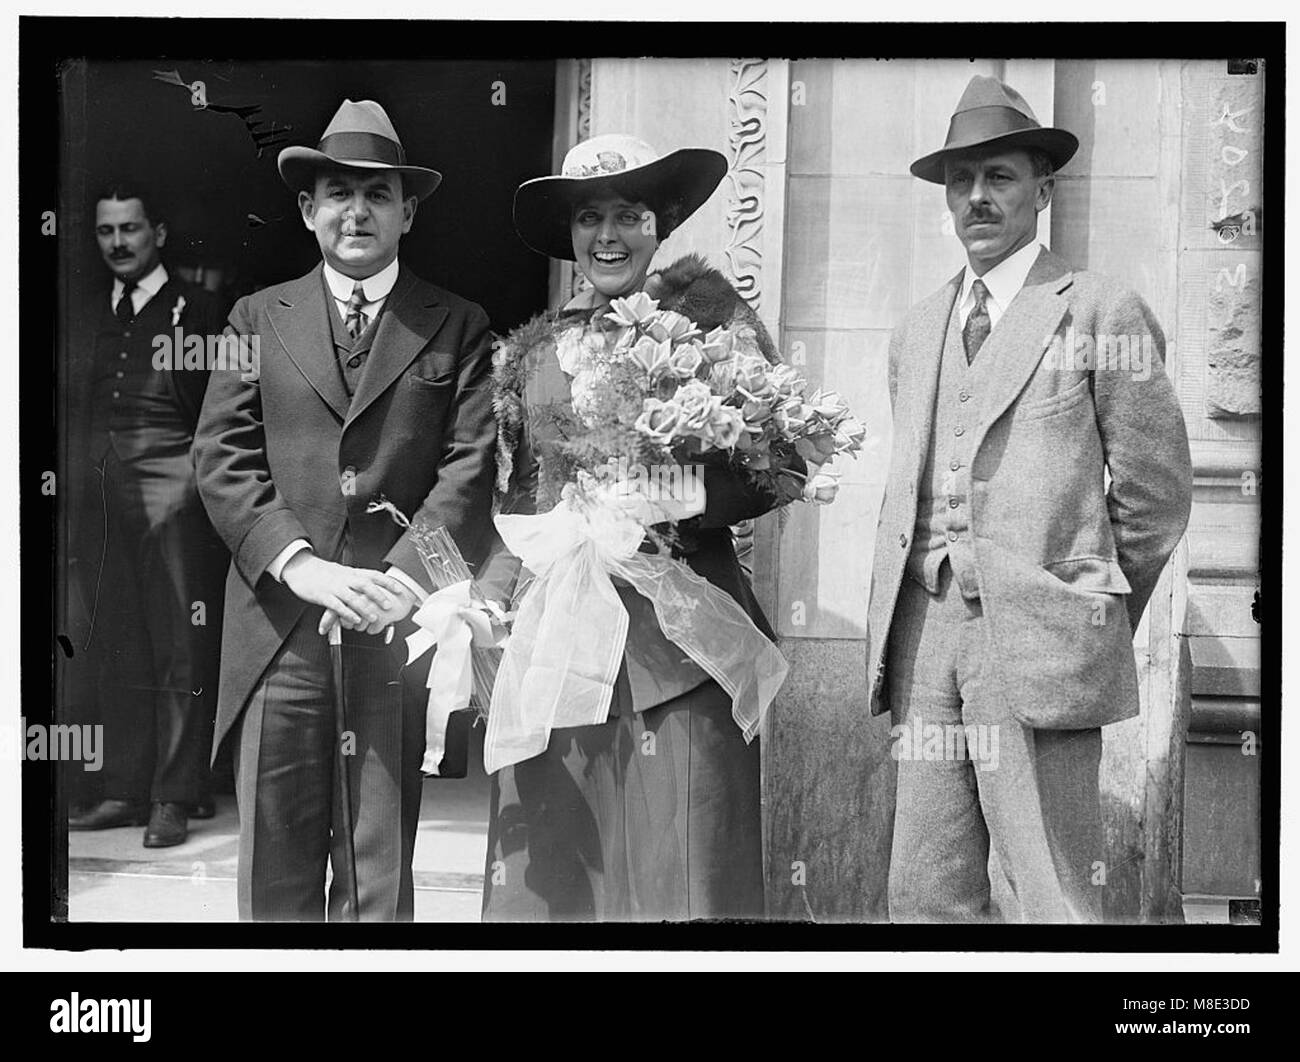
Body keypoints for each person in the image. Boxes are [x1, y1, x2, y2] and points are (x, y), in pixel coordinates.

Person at [865, 76, 1193, 922]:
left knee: (1052, 893)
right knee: (925, 891)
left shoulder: (1096, 309)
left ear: (1042, 191)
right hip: (925, 636)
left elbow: (1156, 495)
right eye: (960, 180)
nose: (977, 197)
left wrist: (1083, 601)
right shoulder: (917, 328)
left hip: (1040, 637)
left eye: (1000, 176)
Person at [193, 99, 507, 920]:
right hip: (278, 631)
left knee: (376, 876)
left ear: (408, 210)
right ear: (308, 210)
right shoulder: (252, 318)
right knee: (274, 875)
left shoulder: (459, 325)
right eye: (338, 192)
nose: (356, 212)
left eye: (377, 194)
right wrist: (302, 568)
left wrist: (403, 584)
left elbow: (468, 474)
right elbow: (220, 457)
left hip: (394, 634)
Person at [485, 134, 793, 921]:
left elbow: (782, 462)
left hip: (679, 652)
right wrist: (486, 600)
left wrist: (669, 492)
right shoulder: (536, 353)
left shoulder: (710, 319)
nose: (609, 234)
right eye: (590, 217)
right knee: (557, 883)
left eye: (630, 213)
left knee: (682, 878)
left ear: (662, 225)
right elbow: (517, 503)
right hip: (562, 648)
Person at [68, 181, 228, 847]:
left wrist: (198, 479)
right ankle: (125, 789)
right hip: (101, 491)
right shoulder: (83, 311)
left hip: (173, 485)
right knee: (117, 639)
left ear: (156, 233)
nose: (118, 243)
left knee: (180, 646)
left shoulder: (201, 307)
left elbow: (221, 410)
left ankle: (175, 794)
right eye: (106, 232)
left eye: (130, 229)